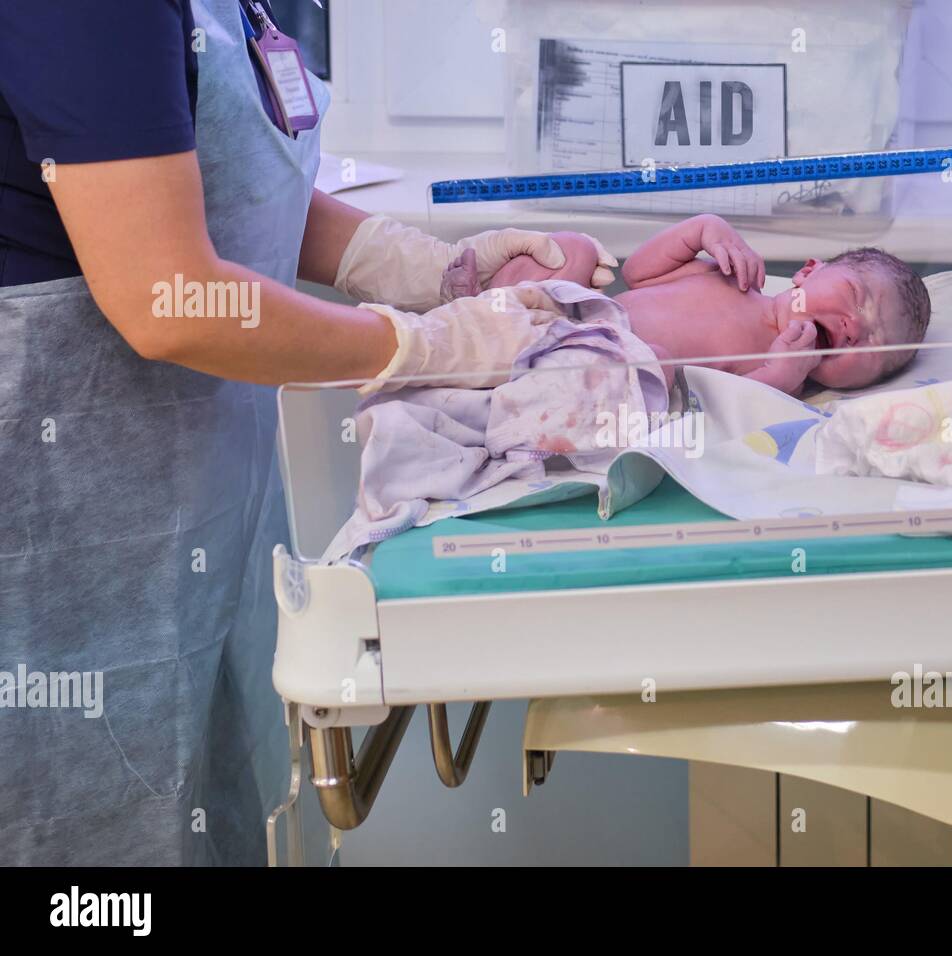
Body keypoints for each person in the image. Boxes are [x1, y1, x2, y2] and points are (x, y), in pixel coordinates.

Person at [0, 0, 612, 865]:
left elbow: (207, 176)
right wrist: (423, 346)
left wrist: (433, 271)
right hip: (54, 510)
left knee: (185, 800)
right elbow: (162, 299)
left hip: (184, 493)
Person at [472, 213, 932, 395]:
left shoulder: (781, 379)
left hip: (586, 368)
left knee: (660, 366)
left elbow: (716, 402)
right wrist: (704, 229)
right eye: (855, 296)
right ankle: (476, 304)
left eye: (871, 344)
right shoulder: (731, 279)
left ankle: (510, 383)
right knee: (575, 249)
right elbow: (640, 274)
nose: (853, 327)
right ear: (808, 271)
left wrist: (779, 376)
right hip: (564, 317)